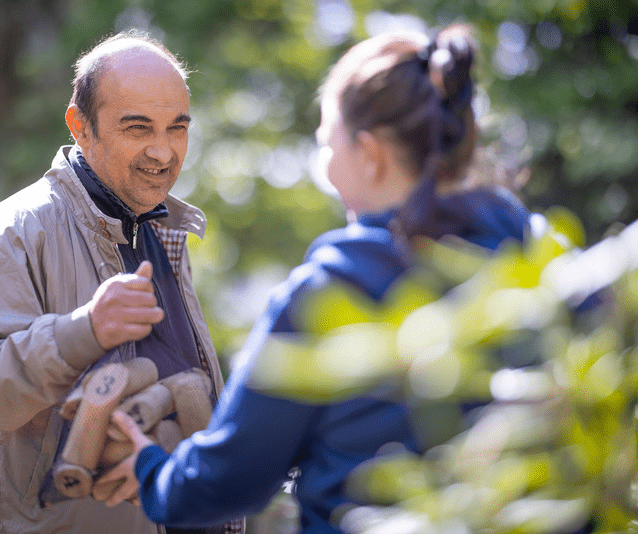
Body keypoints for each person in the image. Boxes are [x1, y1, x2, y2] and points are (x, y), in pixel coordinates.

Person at [98, 25, 539, 534]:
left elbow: (225, 481)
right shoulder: (535, 263)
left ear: (369, 153)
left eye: (328, 146)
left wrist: (151, 469)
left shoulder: (329, 293)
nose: (326, 169)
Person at [0, 31, 242, 534]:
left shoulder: (162, 227)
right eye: (137, 128)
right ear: (80, 126)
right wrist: (85, 330)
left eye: (177, 128)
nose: (163, 152)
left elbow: (172, 383)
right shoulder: (20, 228)